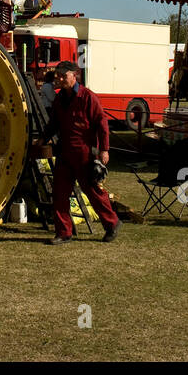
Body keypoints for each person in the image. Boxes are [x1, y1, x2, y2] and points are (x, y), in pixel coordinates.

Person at [47, 60, 121, 243]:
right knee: (60, 193)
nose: (61, 79)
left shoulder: (88, 97)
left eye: (64, 76)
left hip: (84, 153)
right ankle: (63, 232)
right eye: (59, 76)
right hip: (65, 152)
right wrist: (42, 139)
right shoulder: (59, 98)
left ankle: (112, 223)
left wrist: (104, 149)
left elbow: (102, 124)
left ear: (75, 75)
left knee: (93, 192)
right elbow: (53, 123)